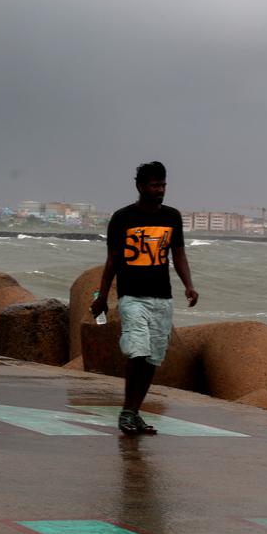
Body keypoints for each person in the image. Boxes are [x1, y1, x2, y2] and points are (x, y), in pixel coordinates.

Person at [90, 161, 199, 436]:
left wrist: (189, 286)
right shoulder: (123, 218)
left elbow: (179, 254)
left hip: (162, 298)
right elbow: (112, 260)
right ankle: (127, 412)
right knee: (137, 351)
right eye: (154, 185)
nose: (160, 190)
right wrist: (102, 295)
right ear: (140, 186)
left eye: (163, 185)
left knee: (152, 359)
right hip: (132, 297)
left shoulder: (172, 217)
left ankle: (134, 412)